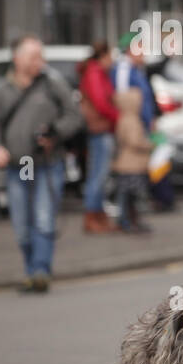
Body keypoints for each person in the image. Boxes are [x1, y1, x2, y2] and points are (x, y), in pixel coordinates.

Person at [0, 35, 82, 293]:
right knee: (23, 226)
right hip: (19, 166)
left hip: (47, 163)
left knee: (44, 219)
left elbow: (74, 116)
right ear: (18, 59)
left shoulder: (51, 85)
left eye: (41, 56)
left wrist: (55, 132)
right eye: (34, 56)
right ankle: (31, 269)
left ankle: (40, 271)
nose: (41, 61)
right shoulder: (3, 92)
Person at [77, 40, 119, 233]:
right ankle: (92, 216)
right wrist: (117, 116)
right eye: (110, 56)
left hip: (102, 129)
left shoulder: (98, 73)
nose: (112, 61)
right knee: (98, 175)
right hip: (99, 129)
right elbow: (101, 102)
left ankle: (98, 215)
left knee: (100, 175)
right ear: (102, 56)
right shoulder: (94, 73)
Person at [110, 88, 153, 233]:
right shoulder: (132, 120)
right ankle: (131, 221)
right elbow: (134, 141)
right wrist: (149, 144)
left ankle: (125, 220)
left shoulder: (123, 117)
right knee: (133, 195)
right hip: (132, 164)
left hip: (124, 164)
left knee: (124, 194)